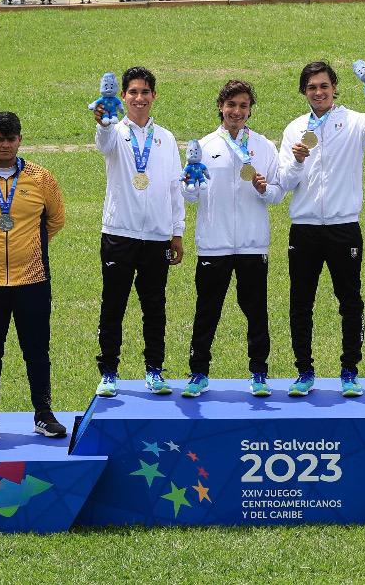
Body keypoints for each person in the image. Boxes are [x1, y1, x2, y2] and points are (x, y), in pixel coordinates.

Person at [276, 59, 365, 398]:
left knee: (350, 300)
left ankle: (349, 369)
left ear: (334, 89)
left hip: (344, 227)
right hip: (304, 228)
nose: (318, 92)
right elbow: (285, 181)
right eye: (312, 87)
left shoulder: (356, 122)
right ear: (304, 91)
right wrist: (298, 161)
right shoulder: (294, 129)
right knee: (301, 301)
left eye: (324, 86)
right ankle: (304, 370)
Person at [0, 111, 68, 441]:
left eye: (10, 139)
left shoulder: (41, 178)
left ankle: (44, 413)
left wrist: (29, 246)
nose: (4, 145)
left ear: (20, 140)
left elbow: (56, 220)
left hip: (32, 279)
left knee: (36, 348)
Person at [181, 80, 285, 398]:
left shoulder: (265, 147)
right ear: (220, 107)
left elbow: (279, 195)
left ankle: (259, 373)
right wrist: (191, 181)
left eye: (243, 106)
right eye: (231, 105)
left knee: (256, 310)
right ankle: (198, 373)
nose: (236, 112)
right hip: (214, 242)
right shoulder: (204, 145)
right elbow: (189, 195)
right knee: (207, 310)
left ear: (250, 109)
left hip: (254, 244)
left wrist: (265, 189)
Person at [93, 66, 186, 397]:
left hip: (158, 236)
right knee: (113, 304)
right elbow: (103, 143)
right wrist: (103, 120)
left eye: (145, 92)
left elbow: (176, 188)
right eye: (132, 92)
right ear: (123, 97)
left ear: (154, 96)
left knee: (154, 306)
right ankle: (109, 372)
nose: (139, 98)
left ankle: (155, 370)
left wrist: (177, 233)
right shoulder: (115, 132)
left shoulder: (167, 138)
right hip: (120, 233)